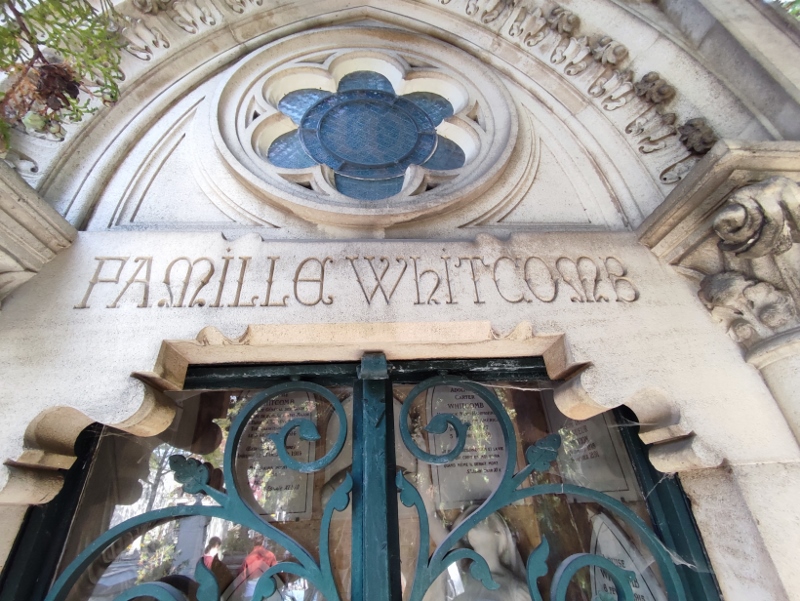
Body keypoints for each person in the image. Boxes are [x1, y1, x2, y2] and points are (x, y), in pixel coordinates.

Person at [241, 535, 278, 601]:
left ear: (253, 542)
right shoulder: (270, 555)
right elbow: (276, 573)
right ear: (263, 541)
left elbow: (242, 578)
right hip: (266, 590)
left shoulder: (248, 558)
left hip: (250, 592)